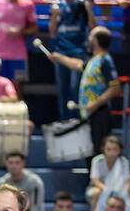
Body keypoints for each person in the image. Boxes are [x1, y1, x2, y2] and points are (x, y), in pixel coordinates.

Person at [46, 25, 120, 156]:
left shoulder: (105, 60)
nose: (88, 39)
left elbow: (115, 88)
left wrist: (95, 104)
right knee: (89, 153)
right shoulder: (93, 61)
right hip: (88, 114)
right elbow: (77, 65)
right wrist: (59, 58)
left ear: (96, 41)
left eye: (91, 36)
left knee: (99, 153)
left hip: (99, 113)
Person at [48, 0, 93, 121]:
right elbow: (52, 32)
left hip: (79, 54)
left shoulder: (82, 5)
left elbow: (93, 27)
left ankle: (77, 120)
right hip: (62, 54)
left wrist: (89, 10)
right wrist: (54, 17)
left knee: (76, 89)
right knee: (63, 90)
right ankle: (64, 120)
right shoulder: (57, 7)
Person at [87, 135, 130, 211]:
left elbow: (127, 180)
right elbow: (95, 180)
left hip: (119, 188)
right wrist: (107, 189)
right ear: (103, 149)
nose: (111, 153)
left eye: (115, 149)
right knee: (97, 193)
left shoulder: (123, 162)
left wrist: (125, 189)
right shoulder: (97, 160)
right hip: (98, 187)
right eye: (108, 149)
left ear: (119, 150)